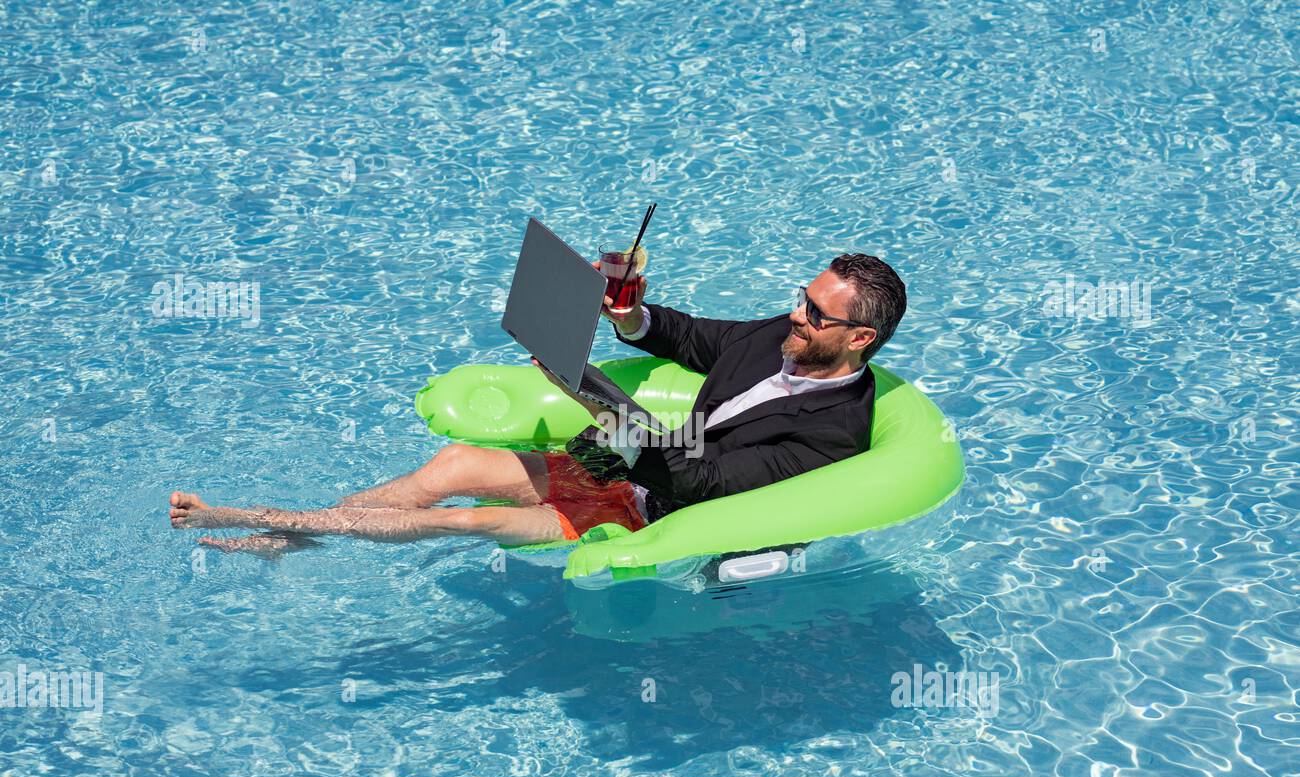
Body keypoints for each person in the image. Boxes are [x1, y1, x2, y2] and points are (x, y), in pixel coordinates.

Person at [169, 254, 905, 553]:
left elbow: (698, 483)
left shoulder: (833, 433)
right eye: (802, 300)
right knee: (451, 464)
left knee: (473, 518)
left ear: (859, 336)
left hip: (651, 506)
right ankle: (300, 536)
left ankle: (255, 517)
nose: (794, 317)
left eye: (814, 313)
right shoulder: (780, 337)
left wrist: (587, 392)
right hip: (626, 459)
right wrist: (629, 314)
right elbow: (690, 336)